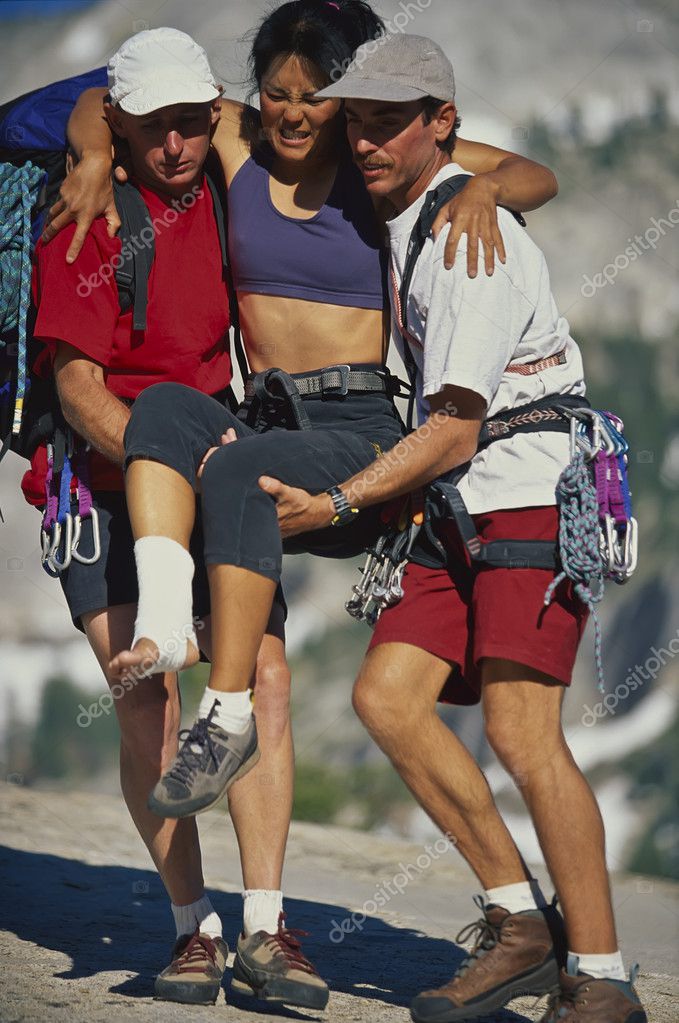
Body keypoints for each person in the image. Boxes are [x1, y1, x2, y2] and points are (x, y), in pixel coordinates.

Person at [55, 1, 560, 1010]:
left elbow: (533, 174)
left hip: (361, 421)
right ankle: (175, 642)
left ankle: (227, 714)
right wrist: (82, 153)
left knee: (236, 488)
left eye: (311, 100)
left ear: (343, 101)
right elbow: (92, 100)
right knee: (165, 412)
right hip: (267, 419)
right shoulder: (228, 134)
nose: (291, 114)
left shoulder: (363, 150)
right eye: (274, 94)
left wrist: (484, 191)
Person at [264, 33, 648, 1023]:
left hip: (520, 488)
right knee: (389, 699)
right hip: (460, 503)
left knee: (523, 735)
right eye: (357, 121)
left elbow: (452, 428)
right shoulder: (419, 203)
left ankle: (601, 975)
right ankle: (520, 924)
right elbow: (521, 172)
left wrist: (337, 504)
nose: (365, 140)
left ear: (442, 126)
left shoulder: (469, 246)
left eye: (388, 121)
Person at [23, 27, 287, 1008]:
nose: (175, 145)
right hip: (101, 483)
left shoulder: (231, 186)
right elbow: (81, 389)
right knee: (148, 703)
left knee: (260, 671)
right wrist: (166, 468)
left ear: (213, 114)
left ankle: (266, 928)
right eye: (152, 128)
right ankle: (192, 931)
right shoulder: (85, 222)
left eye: (191, 122)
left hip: (214, 465)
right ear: (122, 129)